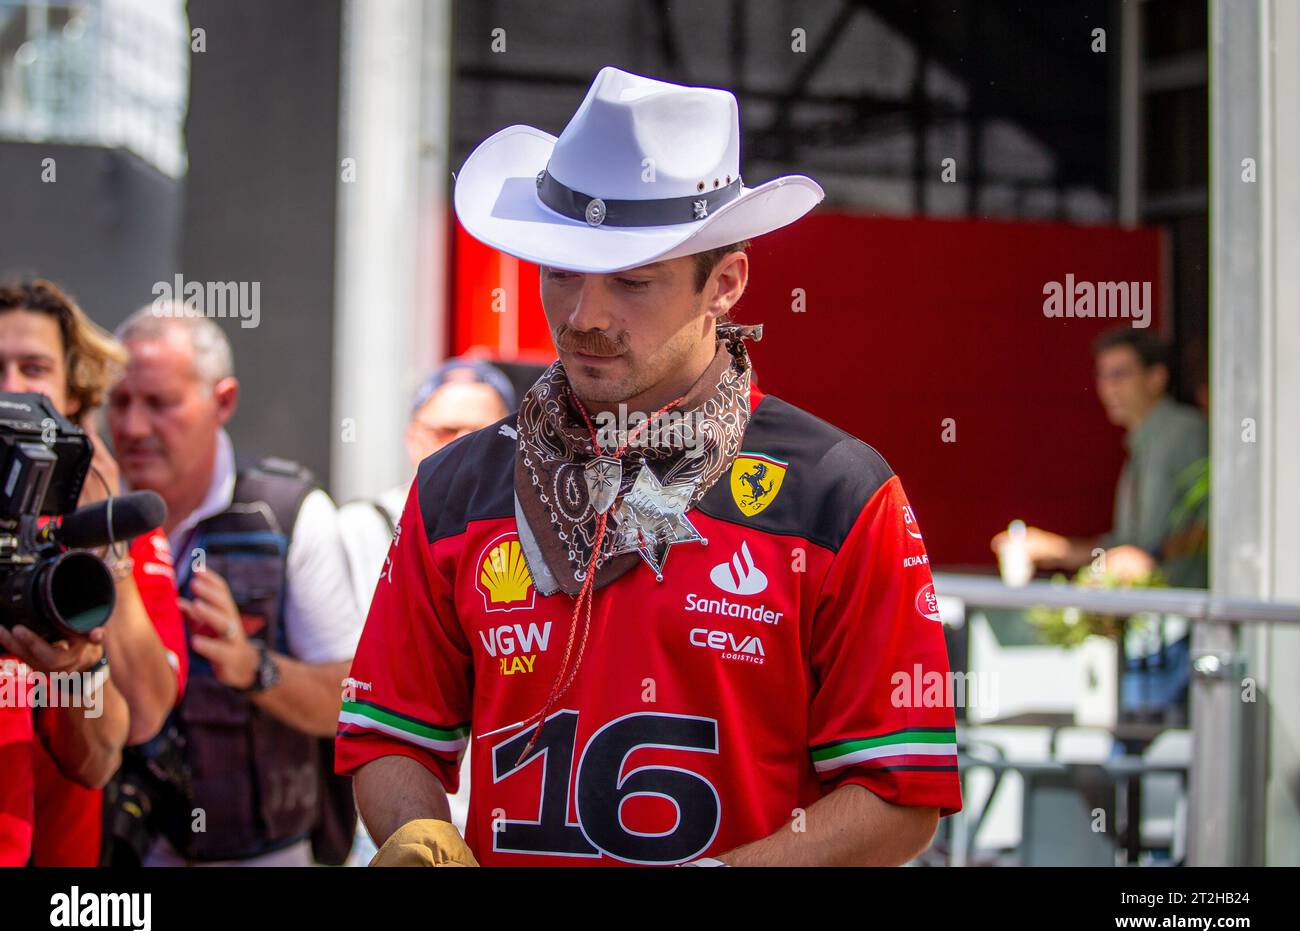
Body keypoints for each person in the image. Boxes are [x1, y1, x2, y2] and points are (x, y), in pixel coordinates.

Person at [336, 66, 962, 867]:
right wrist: (419, 834)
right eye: (560, 271)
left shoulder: (837, 492)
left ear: (726, 282)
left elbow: (901, 795)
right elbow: (388, 736)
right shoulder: (457, 487)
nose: (584, 316)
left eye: (633, 281)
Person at [105, 303, 362, 866]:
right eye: (119, 402)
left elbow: (353, 700)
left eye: (160, 403)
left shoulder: (289, 512)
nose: (133, 427)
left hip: (261, 853)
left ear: (223, 401)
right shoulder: (89, 511)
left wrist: (254, 668)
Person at [0, 278, 185, 866]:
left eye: (34, 369)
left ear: (73, 393)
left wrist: (100, 536)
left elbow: (145, 715)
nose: (12, 389)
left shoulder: (109, 519)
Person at [991, 326, 1209, 587]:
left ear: (1156, 378)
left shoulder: (1185, 432)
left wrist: (1151, 556)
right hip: (1154, 612)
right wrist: (1056, 549)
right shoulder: (1141, 445)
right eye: (1102, 376)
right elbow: (1126, 547)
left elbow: (1218, 521)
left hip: (1189, 611)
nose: (1108, 387)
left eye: (1120, 374)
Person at [339, 357, 515, 616]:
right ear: (413, 439)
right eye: (445, 431)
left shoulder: (537, 529)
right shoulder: (358, 529)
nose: (461, 448)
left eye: (481, 435)